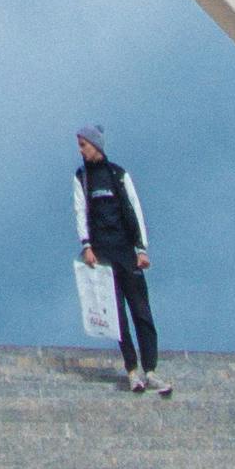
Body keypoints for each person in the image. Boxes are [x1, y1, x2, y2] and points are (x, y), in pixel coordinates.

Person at [75, 125, 169, 395]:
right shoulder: (82, 178)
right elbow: (80, 211)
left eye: (84, 144)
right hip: (102, 255)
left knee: (141, 311)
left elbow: (134, 208)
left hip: (126, 251)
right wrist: (86, 246)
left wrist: (142, 248)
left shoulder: (118, 174)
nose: (81, 150)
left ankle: (151, 370)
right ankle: (132, 370)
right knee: (116, 316)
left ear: (96, 145)